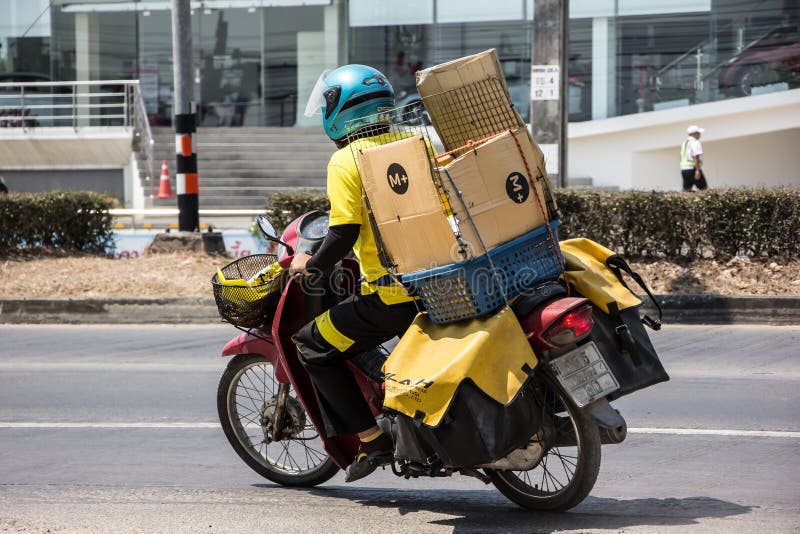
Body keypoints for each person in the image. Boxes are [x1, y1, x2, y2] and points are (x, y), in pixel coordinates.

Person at [289, 65, 418, 483]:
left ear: (337, 109)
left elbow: (343, 233)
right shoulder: (413, 141)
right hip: (440, 283)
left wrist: (311, 265)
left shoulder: (346, 161)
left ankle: (371, 438)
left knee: (311, 346)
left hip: (391, 296)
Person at [680, 125, 708, 191]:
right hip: (693, 169)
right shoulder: (695, 142)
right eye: (698, 133)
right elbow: (695, 157)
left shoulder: (684, 143)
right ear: (694, 134)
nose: (700, 134)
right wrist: (697, 170)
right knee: (704, 189)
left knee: (686, 191)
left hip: (684, 170)